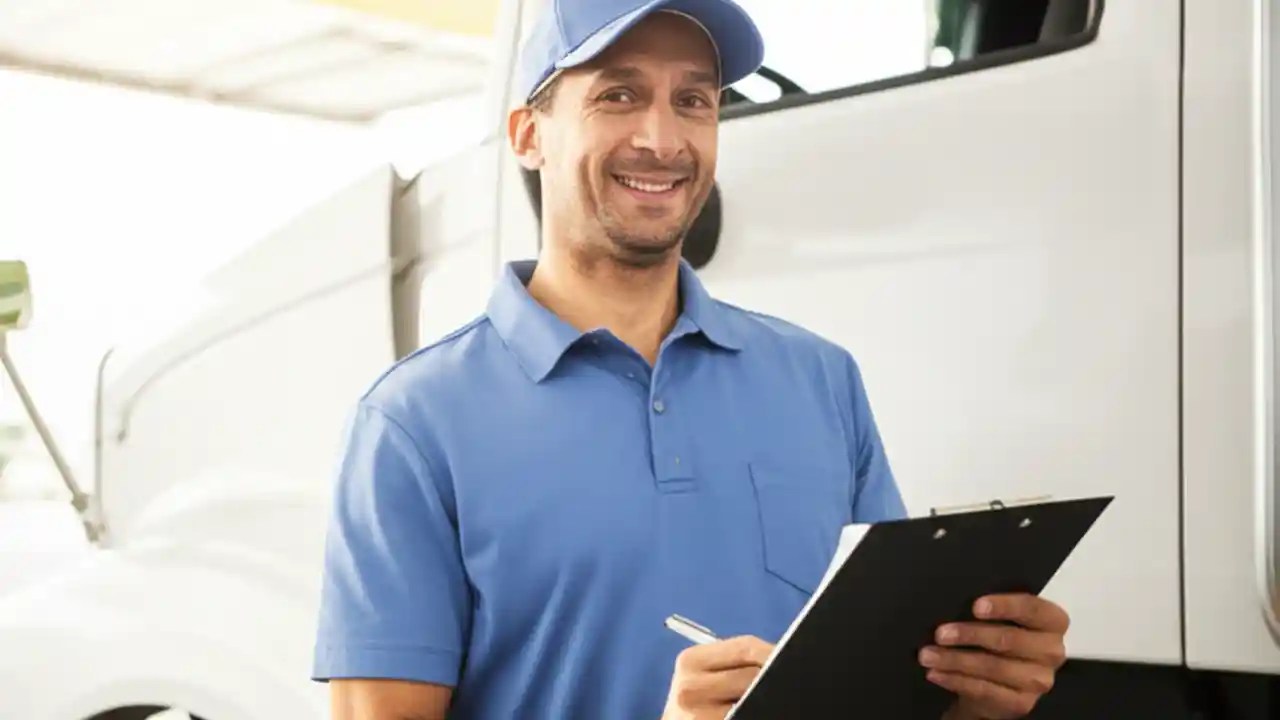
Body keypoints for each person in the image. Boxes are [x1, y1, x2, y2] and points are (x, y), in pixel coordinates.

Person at [310, 1, 1071, 718]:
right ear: (528, 134)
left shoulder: (821, 381)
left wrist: (973, 698)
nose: (663, 140)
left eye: (694, 101)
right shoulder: (413, 424)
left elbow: (881, 688)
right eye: (617, 95)